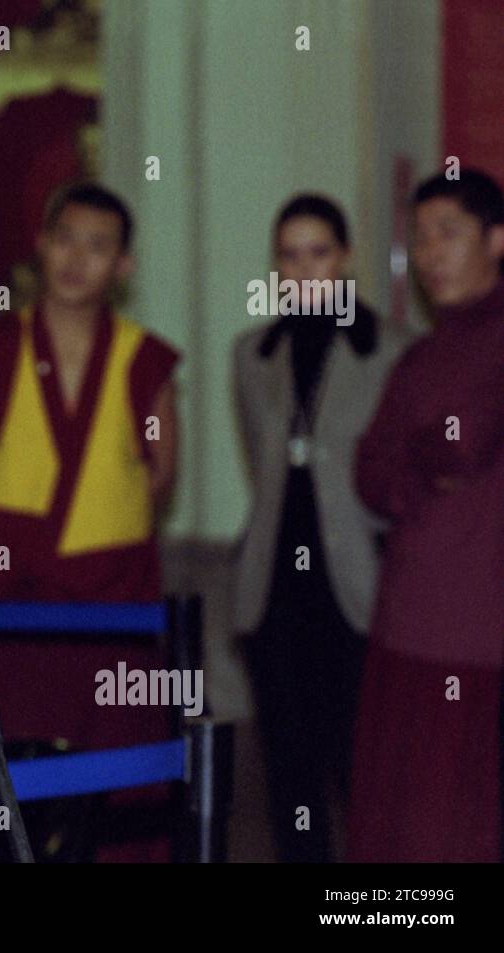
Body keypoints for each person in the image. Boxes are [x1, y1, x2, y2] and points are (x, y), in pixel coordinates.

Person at [0, 182, 180, 862]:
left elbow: (160, 477)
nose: (78, 259)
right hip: (13, 606)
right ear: (42, 247)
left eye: (99, 245)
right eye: (66, 240)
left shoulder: (146, 359)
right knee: (9, 782)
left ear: (123, 265)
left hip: (112, 601)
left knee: (122, 774)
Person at [230, 194, 415, 863]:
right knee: (288, 771)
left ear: (345, 258)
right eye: (289, 255)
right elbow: (268, 466)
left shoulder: (394, 350)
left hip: (360, 589)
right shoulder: (253, 353)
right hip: (276, 591)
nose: (304, 268)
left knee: (362, 764)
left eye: (319, 252)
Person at [347, 168, 504, 862]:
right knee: (393, 819)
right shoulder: (418, 356)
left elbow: (463, 441)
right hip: (407, 608)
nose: (431, 253)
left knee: (451, 823)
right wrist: (414, 466)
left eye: (450, 233)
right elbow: (369, 471)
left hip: (476, 624)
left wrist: (411, 457)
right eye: (421, 238)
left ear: (497, 240)